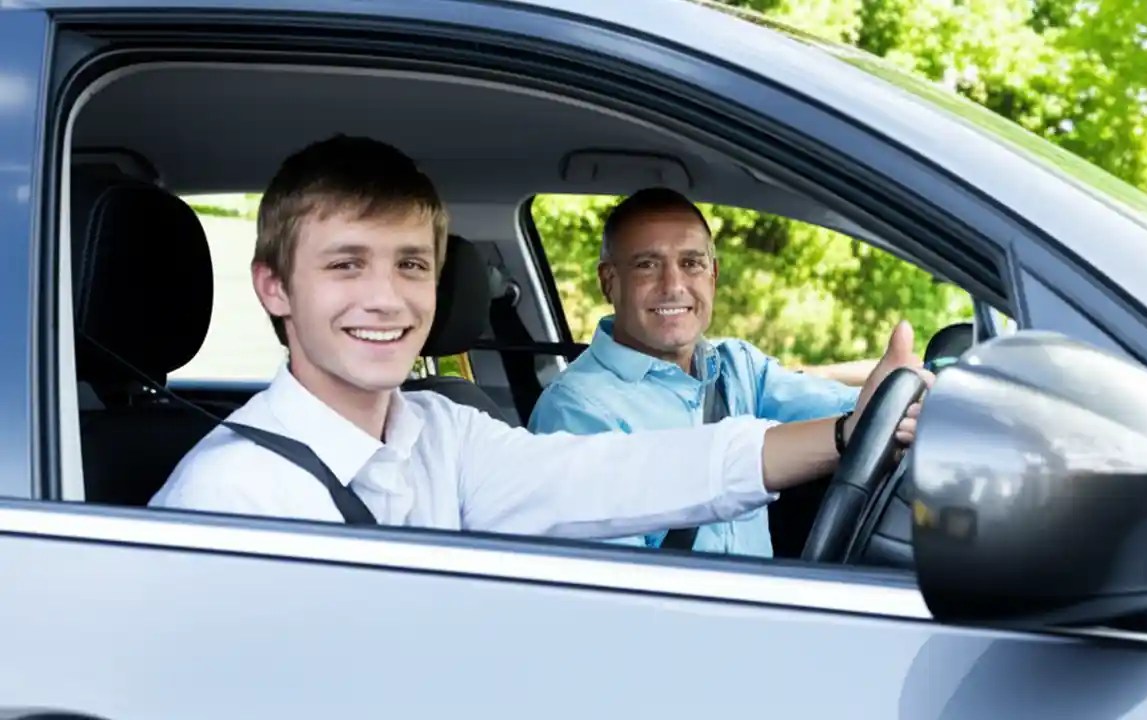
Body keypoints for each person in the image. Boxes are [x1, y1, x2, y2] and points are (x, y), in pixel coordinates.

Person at [149, 135, 930, 541]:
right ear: (275, 288)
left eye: (412, 265)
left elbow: (619, 475)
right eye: (346, 266)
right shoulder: (229, 496)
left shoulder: (442, 435)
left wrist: (846, 433)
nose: (386, 299)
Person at [528, 188, 909, 556]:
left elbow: (866, 414)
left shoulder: (737, 368)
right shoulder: (575, 412)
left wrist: (907, 398)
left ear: (713, 274)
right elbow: (606, 589)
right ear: (609, 281)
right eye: (647, 265)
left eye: (691, 263)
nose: (673, 286)